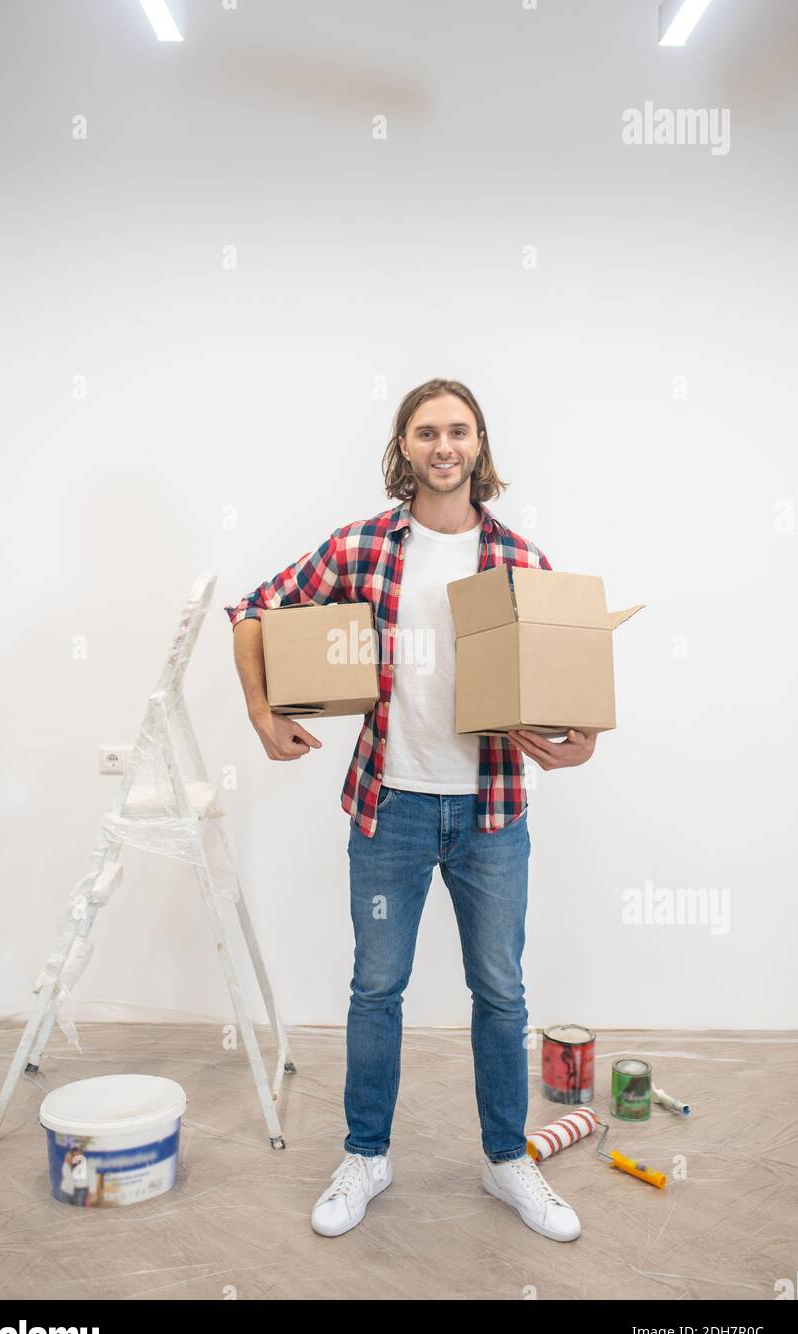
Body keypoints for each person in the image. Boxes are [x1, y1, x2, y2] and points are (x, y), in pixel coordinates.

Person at [227, 378, 597, 1241]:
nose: (444, 446)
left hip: (492, 815)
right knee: (376, 989)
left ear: (479, 444)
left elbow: (572, 686)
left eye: (458, 431)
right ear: (404, 446)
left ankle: (507, 1160)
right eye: (426, 432)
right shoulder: (362, 546)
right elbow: (252, 610)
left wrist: (583, 744)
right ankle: (366, 1156)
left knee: (500, 994)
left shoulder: (522, 562)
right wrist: (261, 713)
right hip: (388, 809)